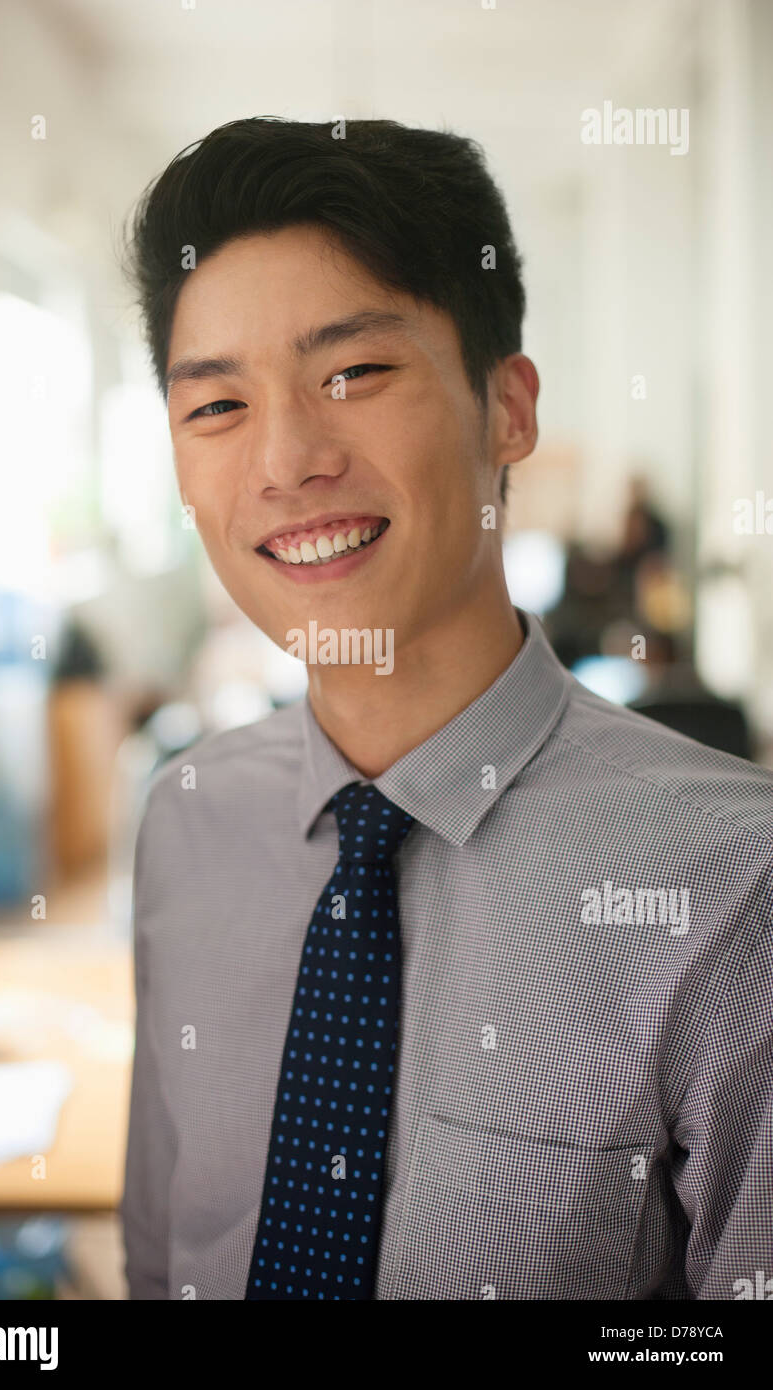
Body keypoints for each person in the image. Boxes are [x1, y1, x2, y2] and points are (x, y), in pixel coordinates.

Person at [120, 117, 773, 1300]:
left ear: (506, 408)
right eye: (214, 406)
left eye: (352, 373)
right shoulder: (186, 818)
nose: (283, 461)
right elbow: (163, 1251)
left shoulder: (732, 885)